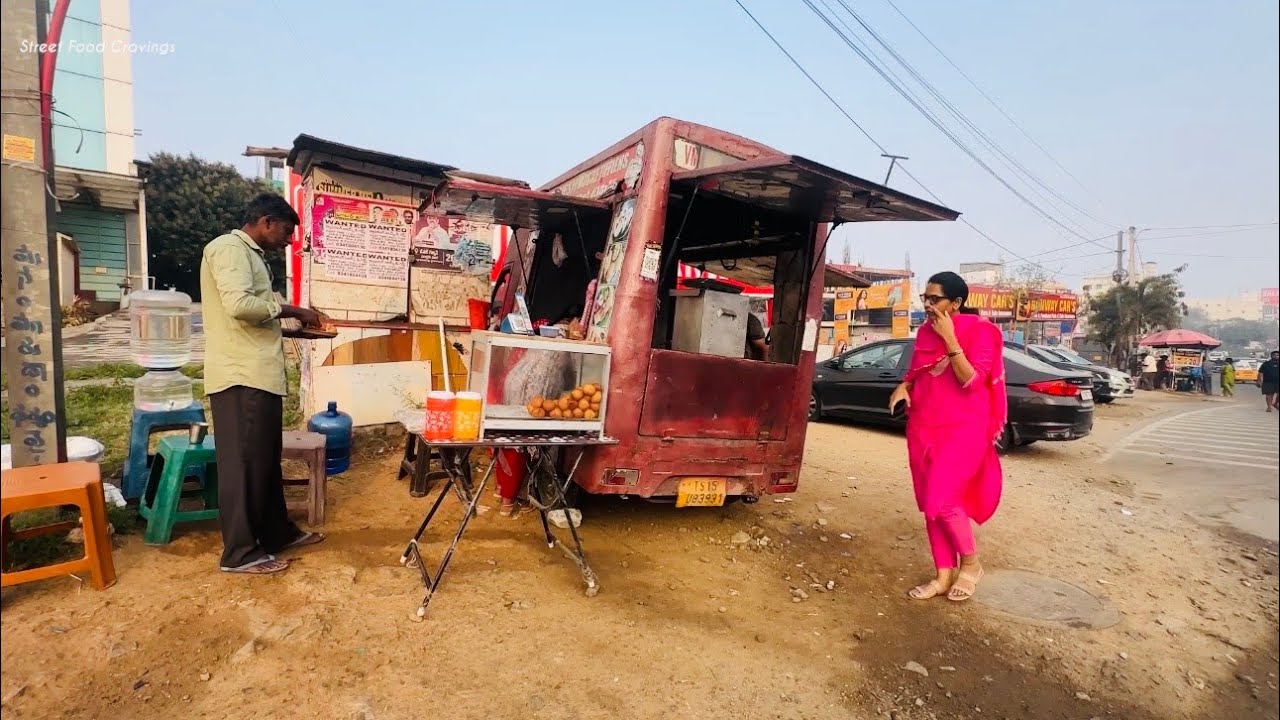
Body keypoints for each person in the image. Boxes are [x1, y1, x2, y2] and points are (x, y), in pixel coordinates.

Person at [201, 193, 329, 575]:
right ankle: (239, 553)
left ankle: (275, 533)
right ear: (266, 221)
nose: (290, 240)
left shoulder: (250, 255)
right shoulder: (227, 249)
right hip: (240, 377)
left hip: (258, 375)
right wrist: (294, 310)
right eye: (287, 231)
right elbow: (240, 305)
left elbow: (255, 316)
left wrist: (301, 331)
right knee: (243, 465)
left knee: (263, 463)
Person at [889, 272, 1006, 603]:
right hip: (923, 425)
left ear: (956, 303)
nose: (927, 304)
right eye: (924, 298)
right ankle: (942, 575)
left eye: (934, 299)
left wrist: (951, 339)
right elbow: (917, 372)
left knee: (944, 499)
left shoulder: (982, 331)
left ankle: (971, 564)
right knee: (929, 504)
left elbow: (971, 382)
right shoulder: (925, 331)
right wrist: (904, 387)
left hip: (964, 429)